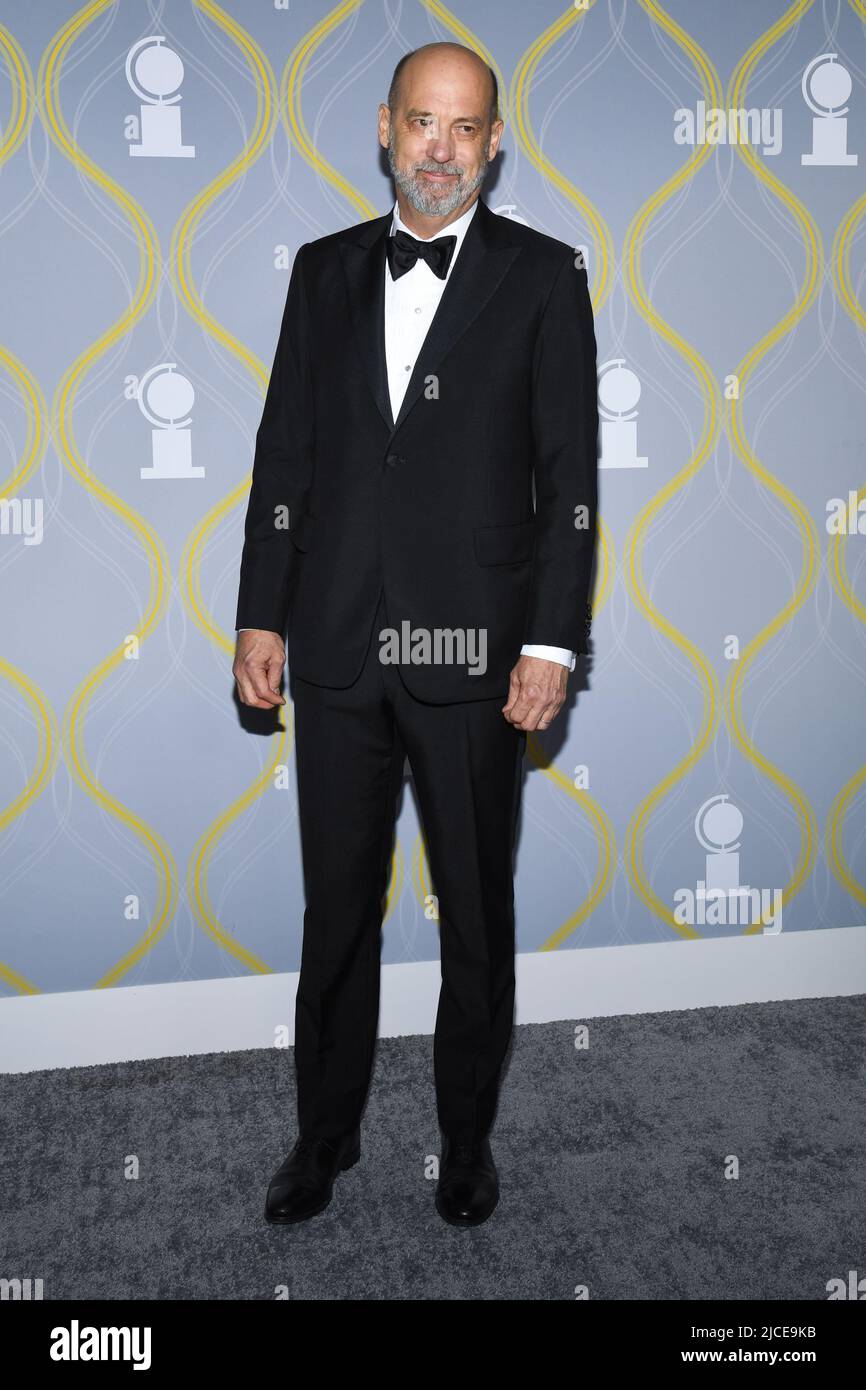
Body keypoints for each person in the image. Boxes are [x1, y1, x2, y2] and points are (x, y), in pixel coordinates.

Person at [233, 41, 598, 1227]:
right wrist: (259, 607)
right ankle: (320, 1139)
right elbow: (285, 452)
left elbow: (568, 478)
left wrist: (549, 645)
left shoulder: (545, 278)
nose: (440, 149)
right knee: (334, 912)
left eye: (465, 128)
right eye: (421, 124)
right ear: (385, 129)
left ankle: (464, 1143)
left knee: (474, 918)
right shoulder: (323, 272)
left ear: (492, 143)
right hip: (335, 650)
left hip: (478, 661)